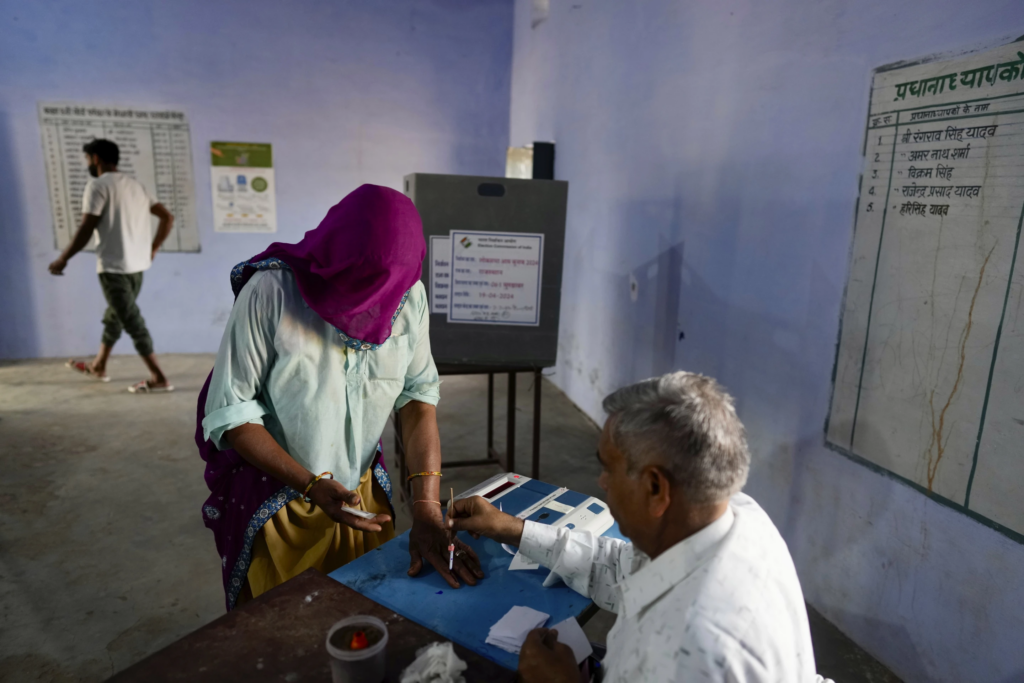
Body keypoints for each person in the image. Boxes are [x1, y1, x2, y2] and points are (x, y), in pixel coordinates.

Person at [195, 184, 484, 611]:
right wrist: (310, 485)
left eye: (389, 290)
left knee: (363, 617)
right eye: (362, 286)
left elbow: (418, 399)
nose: (377, 304)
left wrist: (425, 507)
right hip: (281, 498)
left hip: (360, 494)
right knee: (287, 627)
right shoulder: (272, 292)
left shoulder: (409, 297)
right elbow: (232, 411)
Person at [449, 371, 820, 682]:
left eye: (608, 467)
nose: (601, 482)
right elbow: (621, 567)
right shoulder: (732, 515)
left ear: (655, 487)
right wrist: (511, 528)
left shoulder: (689, 649)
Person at [48, 138, 175, 393]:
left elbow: (87, 227)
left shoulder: (98, 185)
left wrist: (64, 257)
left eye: (87, 159)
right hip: (137, 268)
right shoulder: (136, 186)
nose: (88, 163)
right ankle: (99, 366)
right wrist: (154, 247)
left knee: (131, 320)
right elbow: (167, 217)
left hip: (114, 269)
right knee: (116, 316)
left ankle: (159, 377)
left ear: (96, 158)